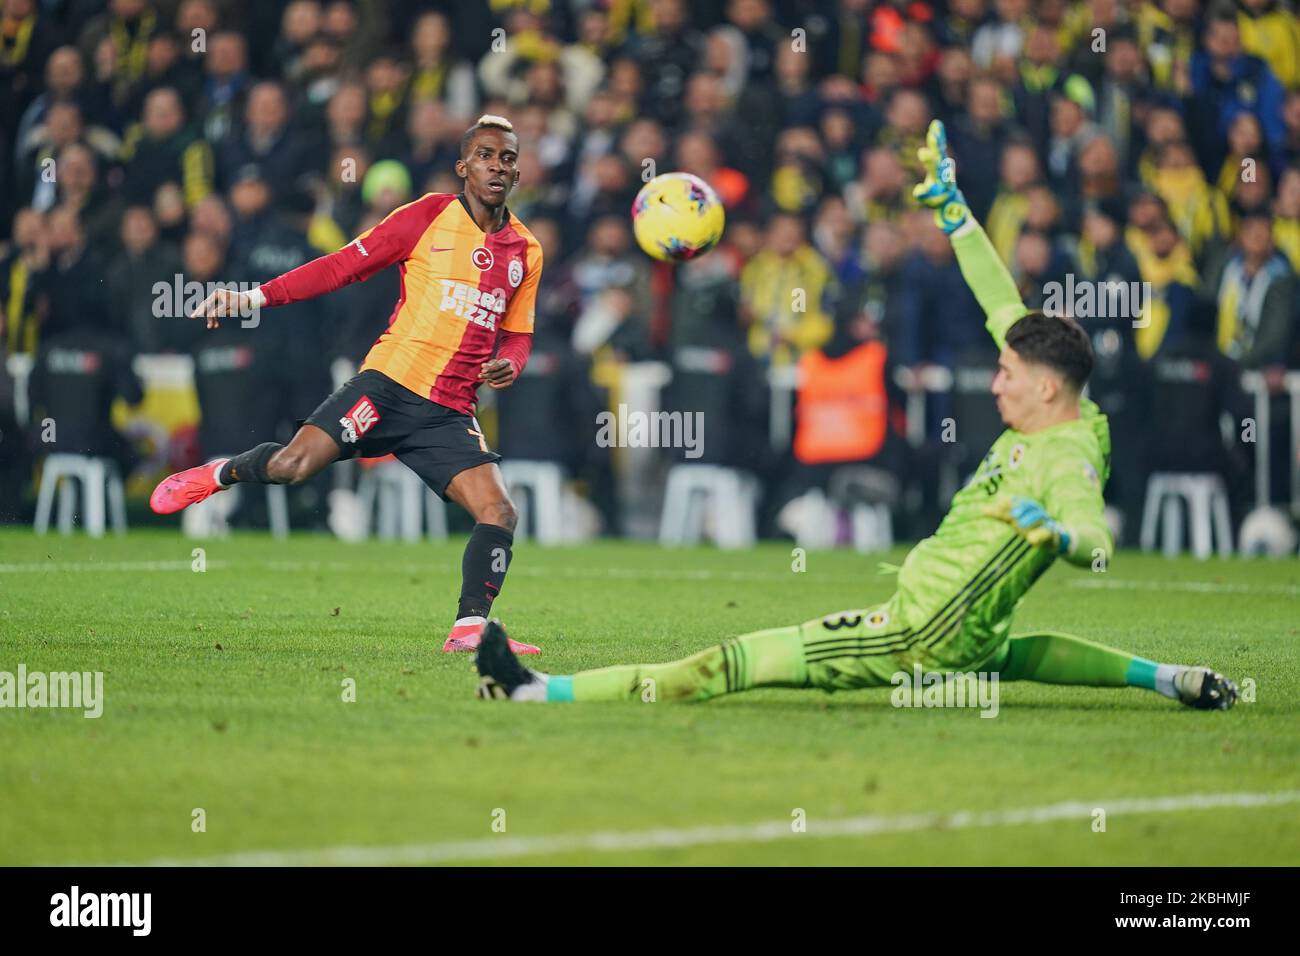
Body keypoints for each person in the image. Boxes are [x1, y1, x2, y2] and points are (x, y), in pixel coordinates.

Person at [473, 121, 1238, 711]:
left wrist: (1061, 530)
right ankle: (1170, 679)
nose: (995, 385)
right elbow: (999, 298)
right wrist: (957, 214)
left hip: (918, 632)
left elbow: (1096, 537)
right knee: (1011, 649)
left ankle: (541, 692)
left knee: (742, 659)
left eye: (1006, 374)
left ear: (1044, 388)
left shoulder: (1065, 459)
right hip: (950, 621)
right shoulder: (1073, 408)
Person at [149, 115, 543, 655]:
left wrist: (512, 365)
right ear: (463, 167)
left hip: (450, 411)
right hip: (388, 386)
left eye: (507, 158)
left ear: (518, 172)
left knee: (499, 512)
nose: (498, 166)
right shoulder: (426, 216)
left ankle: (469, 629)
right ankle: (218, 472)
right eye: (486, 156)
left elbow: (518, 335)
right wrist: (252, 298)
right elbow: (342, 267)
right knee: (292, 466)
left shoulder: (527, 251)